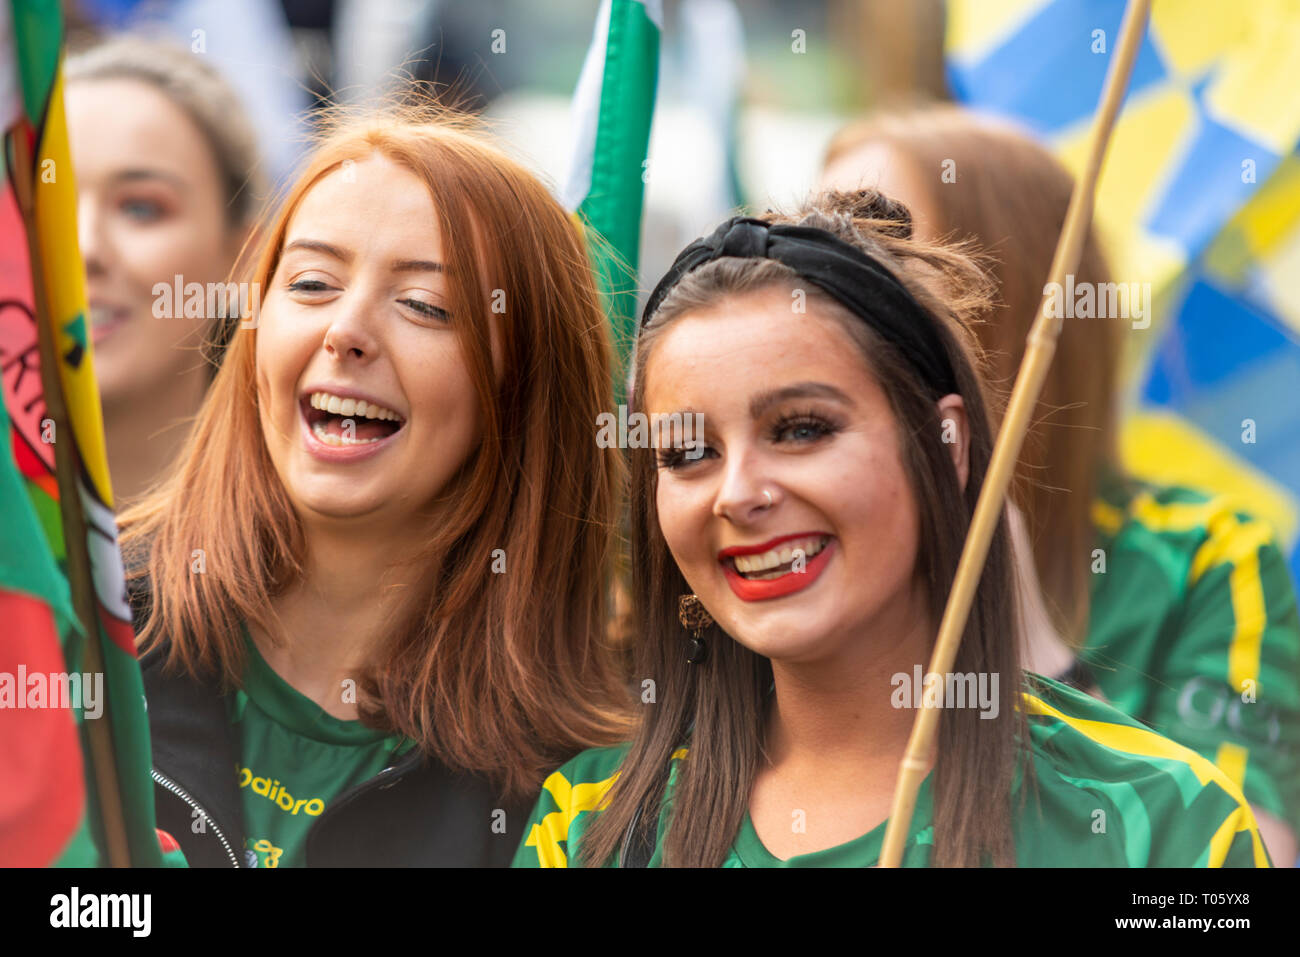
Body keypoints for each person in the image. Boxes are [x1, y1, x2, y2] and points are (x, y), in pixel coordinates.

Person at [513, 190, 1267, 867]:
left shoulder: (1168, 825)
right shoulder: (584, 827)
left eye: (801, 428)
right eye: (687, 453)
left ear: (948, 443)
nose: (738, 494)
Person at [118, 105, 632, 867]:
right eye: (313, 283)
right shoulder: (76, 633)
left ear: (528, 389)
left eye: (426, 305)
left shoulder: (599, 779)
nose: (346, 330)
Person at [820, 105, 1300, 863]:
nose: (814, 282)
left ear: (1005, 305)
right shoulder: (789, 536)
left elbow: (1244, 877)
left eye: (874, 248)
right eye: (813, 238)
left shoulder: (1204, 556)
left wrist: (1041, 660)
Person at [65, 36, 264, 504]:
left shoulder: (317, 549)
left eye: (140, 208)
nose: (83, 247)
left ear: (243, 258)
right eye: (46, 208)